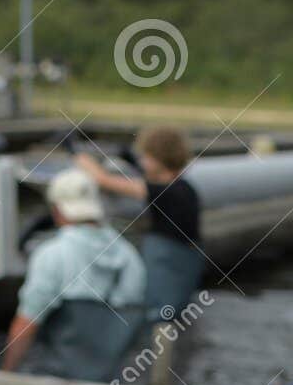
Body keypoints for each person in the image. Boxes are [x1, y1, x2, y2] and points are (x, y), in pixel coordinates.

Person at [4, 168, 146, 380]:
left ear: (57, 210)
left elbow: (26, 324)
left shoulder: (51, 254)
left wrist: (6, 375)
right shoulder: (130, 256)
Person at [74, 125, 202, 320]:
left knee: (158, 318)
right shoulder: (185, 188)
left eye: (145, 157)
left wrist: (83, 160)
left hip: (168, 267)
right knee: (174, 316)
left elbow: (104, 180)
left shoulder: (167, 193)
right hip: (182, 271)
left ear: (157, 159)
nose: (141, 162)